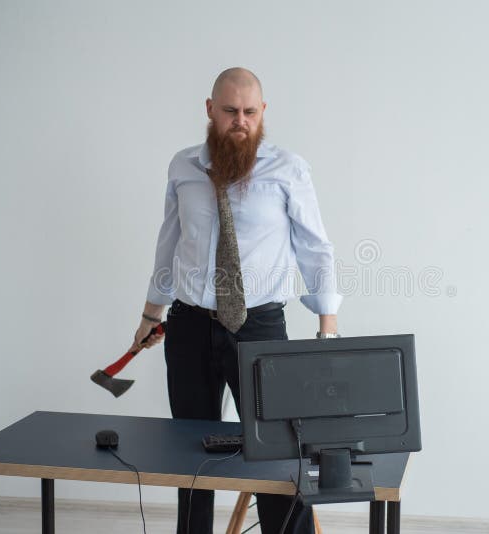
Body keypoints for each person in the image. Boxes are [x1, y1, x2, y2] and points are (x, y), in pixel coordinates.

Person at [132, 67, 342, 534]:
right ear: (210, 110)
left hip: (261, 327)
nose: (240, 121)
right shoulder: (183, 167)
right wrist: (152, 312)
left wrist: (327, 326)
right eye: (230, 111)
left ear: (263, 113)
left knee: (279, 456)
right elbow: (169, 241)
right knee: (189, 456)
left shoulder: (288, 168)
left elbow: (315, 247)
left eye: (249, 112)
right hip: (188, 326)